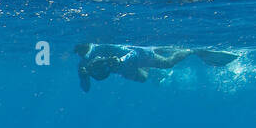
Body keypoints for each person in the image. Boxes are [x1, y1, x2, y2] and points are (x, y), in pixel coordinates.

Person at [74, 43, 239, 91]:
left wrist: (121, 60)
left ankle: (192, 50)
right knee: (143, 79)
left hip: (139, 55)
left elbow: (132, 53)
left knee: (167, 64)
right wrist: (83, 78)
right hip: (124, 68)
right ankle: (151, 69)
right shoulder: (84, 65)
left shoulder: (104, 48)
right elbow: (86, 89)